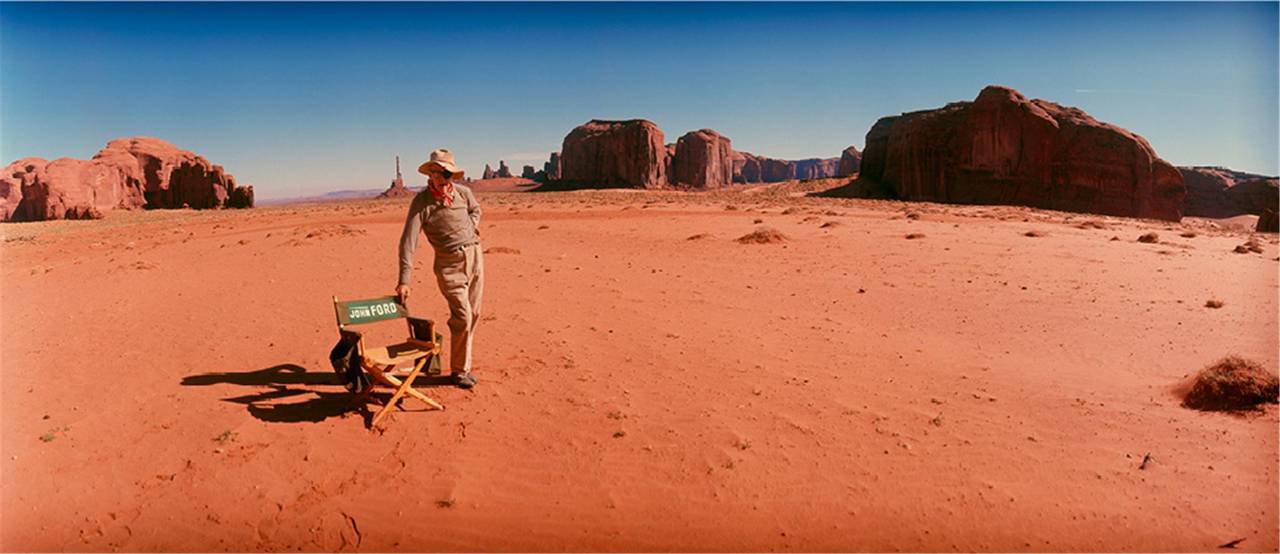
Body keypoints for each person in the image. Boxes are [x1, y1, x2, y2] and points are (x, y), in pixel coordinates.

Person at [397, 148, 483, 389]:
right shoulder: (422, 202)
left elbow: (476, 210)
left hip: (475, 257)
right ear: (431, 174)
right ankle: (458, 371)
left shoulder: (463, 193)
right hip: (449, 265)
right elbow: (408, 242)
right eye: (441, 173)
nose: (445, 179)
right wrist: (404, 279)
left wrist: (472, 227)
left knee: (474, 314)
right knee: (462, 316)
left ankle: (463, 366)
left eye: (448, 174)